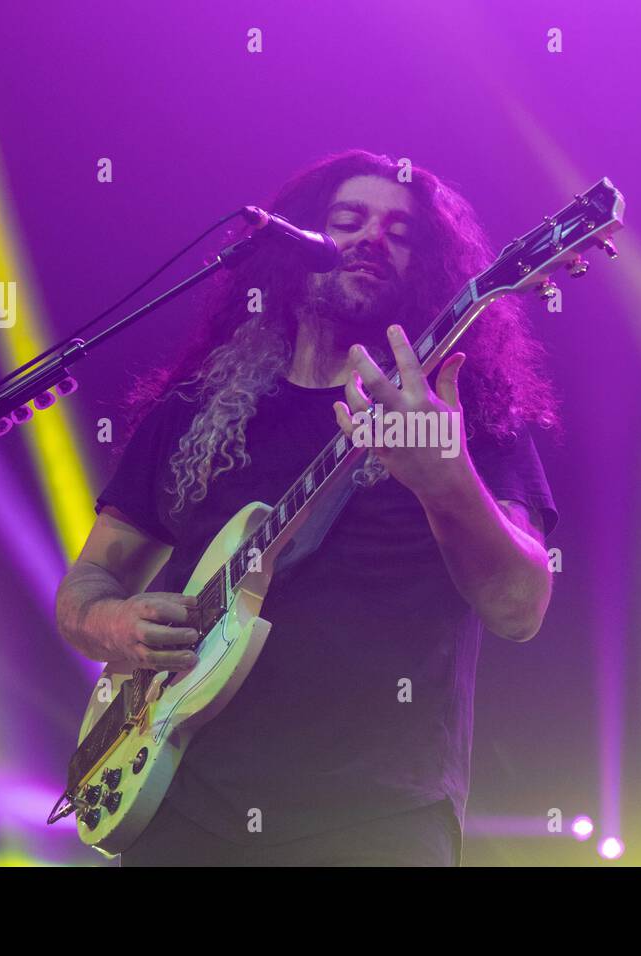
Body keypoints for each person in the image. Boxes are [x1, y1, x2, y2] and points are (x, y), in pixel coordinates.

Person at [55, 150, 559, 865]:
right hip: (181, 799)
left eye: (401, 231)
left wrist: (447, 480)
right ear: (293, 244)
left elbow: (520, 606)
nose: (369, 239)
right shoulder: (196, 411)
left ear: (435, 268)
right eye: (345, 220)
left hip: (374, 814)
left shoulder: (465, 410)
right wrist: (111, 622)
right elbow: (85, 586)